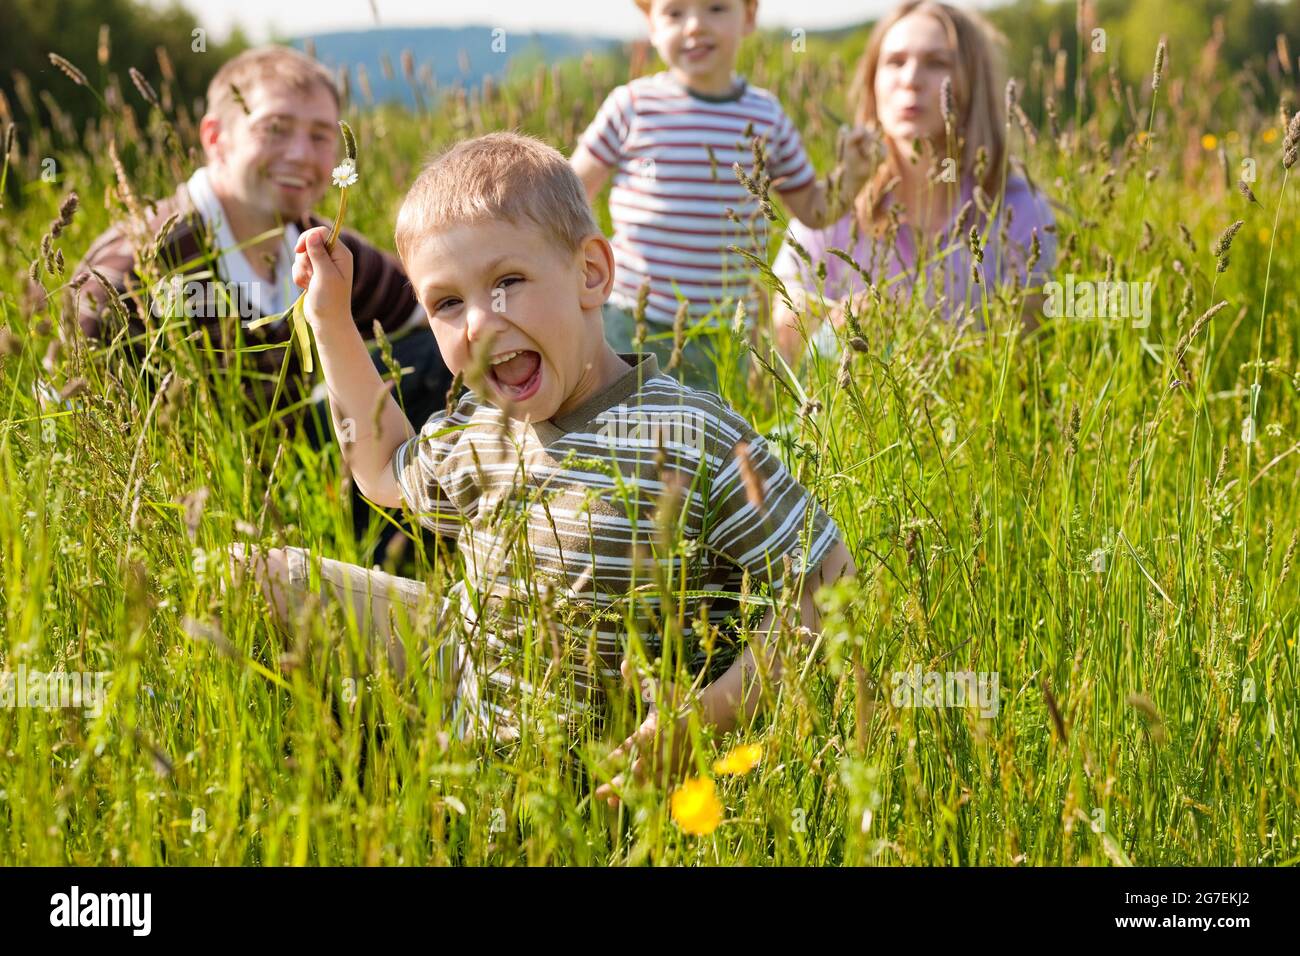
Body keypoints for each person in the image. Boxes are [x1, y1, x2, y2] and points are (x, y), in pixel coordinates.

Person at [228, 132, 855, 804]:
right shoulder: (479, 428)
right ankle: (341, 779)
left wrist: (703, 718)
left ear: (591, 274)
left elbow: (828, 577)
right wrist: (330, 320)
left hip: (607, 761)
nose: (479, 324)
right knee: (245, 574)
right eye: (445, 303)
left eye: (507, 284)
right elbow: (382, 470)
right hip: (473, 684)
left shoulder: (688, 433)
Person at [72, 45, 453, 553]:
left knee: (443, 356)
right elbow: (102, 441)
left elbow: (431, 309)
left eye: (321, 136)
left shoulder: (317, 244)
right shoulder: (137, 270)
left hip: (298, 479)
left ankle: (413, 554)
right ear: (216, 138)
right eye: (274, 129)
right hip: (189, 518)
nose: (300, 153)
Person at [570, 0, 875, 389]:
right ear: (651, 23)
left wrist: (850, 175)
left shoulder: (767, 116)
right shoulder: (631, 105)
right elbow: (571, 191)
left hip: (725, 336)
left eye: (716, 8)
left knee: (703, 439)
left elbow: (813, 210)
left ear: (748, 17)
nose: (695, 26)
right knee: (625, 431)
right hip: (628, 319)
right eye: (675, 13)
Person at [771, 0, 1058, 363]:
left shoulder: (1019, 209)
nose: (911, 79)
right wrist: (839, 325)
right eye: (894, 62)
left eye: (937, 63)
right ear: (873, 81)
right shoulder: (832, 207)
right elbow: (782, 347)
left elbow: (1026, 361)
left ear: (973, 81)